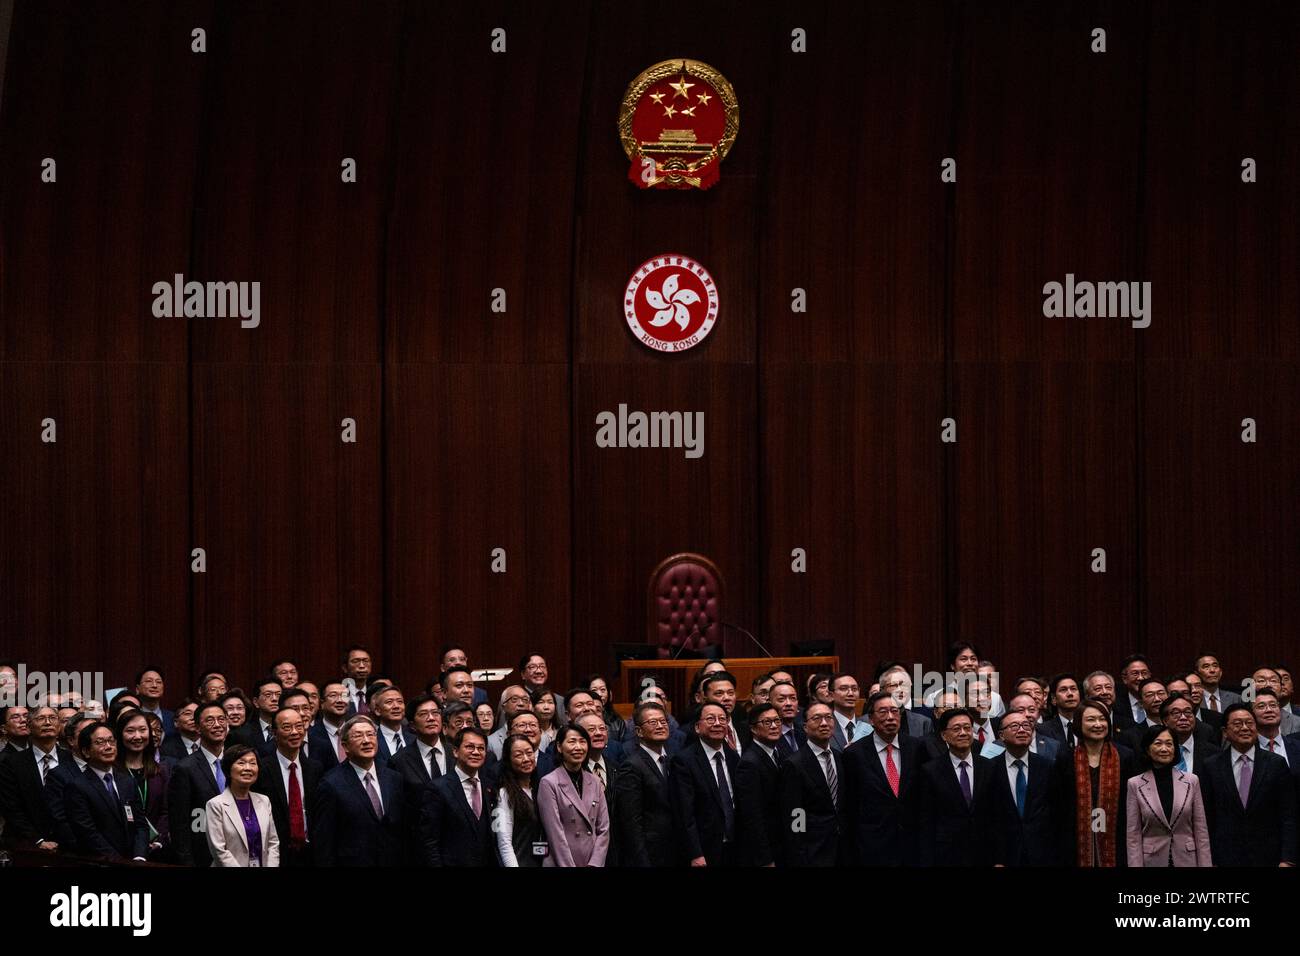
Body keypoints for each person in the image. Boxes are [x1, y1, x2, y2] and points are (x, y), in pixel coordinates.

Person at [1200, 704, 1296, 866]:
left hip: (1270, 856)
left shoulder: (1276, 763)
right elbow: (1208, 817)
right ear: (1225, 732)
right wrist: (1212, 860)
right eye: (1237, 724)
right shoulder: (1211, 766)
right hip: (1226, 857)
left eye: (1249, 723)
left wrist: (1287, 859)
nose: (1245, 728)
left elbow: (1288, 815)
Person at [843, 691, 927, 865]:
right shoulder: (854, 754)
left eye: (894, 711)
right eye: (883, 712)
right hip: (872, 845)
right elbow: (850, 804)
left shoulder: (917, 747)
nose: (890, 717)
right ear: (871, 719)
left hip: (912, 844)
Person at [313, 715, 408, 866]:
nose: (366, 741)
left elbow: (402, 829)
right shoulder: (331, 784)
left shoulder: (394, 778)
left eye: (371, 734)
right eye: (358, 736)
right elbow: (324, 841)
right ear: (345, 746)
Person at [975, 711, 1062, 866]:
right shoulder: (988, 769)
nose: (1022, 730)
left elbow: (1056, 813)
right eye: (1014, 726)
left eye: (1026, 726)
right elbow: (985, 819)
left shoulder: (1047, 766)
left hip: (1042, 854)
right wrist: (994, 858)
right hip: (1005, 855)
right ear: (1001, 735)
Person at [1054, 700, 1133, 867]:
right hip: (1076, 841)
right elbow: (1059, 805)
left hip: (1116, 838)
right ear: (1078, 724)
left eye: (1102, 719)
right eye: (1091, 720)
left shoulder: (1125, 757)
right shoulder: (1066, 758)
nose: (1098, 724)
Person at [1125, 726, 1212, 867]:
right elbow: (1133, 835)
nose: (1164, 749)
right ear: (1148, 749)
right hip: (1152, 861)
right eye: (1158, 743)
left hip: (1187, 859)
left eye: (1169, 744)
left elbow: (1201, 830)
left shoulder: (1191, 781)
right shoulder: (1135, 784)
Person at [64, 721, 148, 861]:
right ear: (86, 751)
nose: (108, 747)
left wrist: (139, 856)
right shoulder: (77, 786)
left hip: (134, 861)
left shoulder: (128, 782)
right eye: (100, 742)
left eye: (111, 741)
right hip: (101, 862)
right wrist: (119, 862)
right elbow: (88, 833)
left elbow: (140, 824)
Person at [670, 702, 740, 867]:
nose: (717, 723)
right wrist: (695, 853)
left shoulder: (734, 758)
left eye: (722, 719)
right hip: (704, 849)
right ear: (697, 727)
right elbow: (684, 813)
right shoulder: (684, 761)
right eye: (710, 719)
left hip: (735, 846)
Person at [419, 726, 498, 866]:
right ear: (455, 751)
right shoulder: (438, 788)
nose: (476, 752)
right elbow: (429, 841)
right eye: (469, 747)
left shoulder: (490, 785)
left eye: (481, 748)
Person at [253, 705, 322, 867]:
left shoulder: (315, 769)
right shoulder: (262, 769)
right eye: (287, 727)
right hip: (275, 853)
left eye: (299, 726)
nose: (294, 732)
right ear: (274, 733)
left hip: (311, 852)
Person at [917, 707, 986, 866]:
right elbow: (926, 821)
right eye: (956, 729)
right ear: (944, 735)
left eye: (967, 728)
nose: (963, 733)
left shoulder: (988, 767)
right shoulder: (930, 771)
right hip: (945, 854)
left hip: (983, 852)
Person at [780, 702, 847, 866]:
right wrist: (800, 850)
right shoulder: (795, 764)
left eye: (828, 718)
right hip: (813, 848)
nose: (824, 723)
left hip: (843, 846)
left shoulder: (841, 757)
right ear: (805, 727)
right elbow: (796, 811)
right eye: (817, 719)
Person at [612, 702, 677, 867]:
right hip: (649, 853)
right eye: (653, 723)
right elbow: (631, 820)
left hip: (675, 850)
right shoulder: (632, 766)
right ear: (639, 731)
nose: (660, 726)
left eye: (663, 722)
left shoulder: (674, 760)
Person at [167, 700, 229, 866]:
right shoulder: (184, 768)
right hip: (203, 854)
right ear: (198, 727)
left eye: (221, 719)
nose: (217, 725)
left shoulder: (237, 761)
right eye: (210, 720)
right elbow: (179, 825)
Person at [538, 724, 610, 867]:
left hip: (592, 860)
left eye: (582, 742)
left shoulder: (594, 781)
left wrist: (595, 863)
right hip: (562, 861)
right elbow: (555, 835)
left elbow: (604, 828)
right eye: (572, 742)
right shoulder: (549, 782)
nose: (578, 747)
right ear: (559, 747)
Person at [0, 705, 67, 851]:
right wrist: (37, 840)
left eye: (52, 718)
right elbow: (11, 807)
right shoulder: (11, 762)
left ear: (59, 726)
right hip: (27, 844)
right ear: (29, 726)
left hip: (69, 843)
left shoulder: (71, 759)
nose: (48, 723)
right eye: (41, 718)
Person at [204, 744, 278, 866]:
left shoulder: (264, 801)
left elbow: (273, 842)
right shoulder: (215, 805)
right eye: (241, 763)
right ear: (228, 769)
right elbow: (219, 851)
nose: (248, 768)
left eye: (253, 763)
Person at [114, 709, 170, 860]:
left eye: (143, 730)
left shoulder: (161, 771)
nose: (137, 736)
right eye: (130, 731)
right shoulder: (112, 772)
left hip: (157, 849)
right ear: (119, 734)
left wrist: (159, 840)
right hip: (121, 849)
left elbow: (166, 810)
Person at [734, 702, 784, 867]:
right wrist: (765, 858)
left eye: (777, 721)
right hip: (764, 850)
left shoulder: (780, 753)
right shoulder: (750, 763)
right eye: (767, 722)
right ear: (754, 729)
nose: (774, 726)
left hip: (781, 843)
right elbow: (752, 816)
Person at [495, 734, 543, 867]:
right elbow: (504, 843)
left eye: (529, 753)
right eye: (519, 755)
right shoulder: (504, 794)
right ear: (508, 760)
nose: (526, 759)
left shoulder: (539, 788)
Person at [308, 681, 350, 771]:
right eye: (333, 695)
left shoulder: (357, 730)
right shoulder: (311, 735)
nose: (340, 700)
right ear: (322, 703)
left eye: (344, 696)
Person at [486, 684, 533, 758]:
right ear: (503, 706)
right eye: (514, 699)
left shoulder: (541, 737)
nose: (521, 703)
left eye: (525, 700)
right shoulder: (491, 742)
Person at [587, 674, 631, 745]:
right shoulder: (579, 719)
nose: (599, 694)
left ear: (609, 693)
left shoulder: (617, 721)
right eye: (594, 690)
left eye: (603, 690)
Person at [519, 653, 564, 718]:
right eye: (532, 667)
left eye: (542, 666)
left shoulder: (559, 700)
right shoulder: (513, 700)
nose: (539, 671)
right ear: (523, 674)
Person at [133, 667, 174, 735]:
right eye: (149, 681)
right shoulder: (132, 716)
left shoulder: (172, 717)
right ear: (137, 689)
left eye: (159, 682)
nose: (154, 685)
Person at [828, 673, 861, 751]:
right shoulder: (825, 725)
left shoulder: (868, 724)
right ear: (831, 695)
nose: (850, 693)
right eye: (843, 689)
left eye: (854, 689)